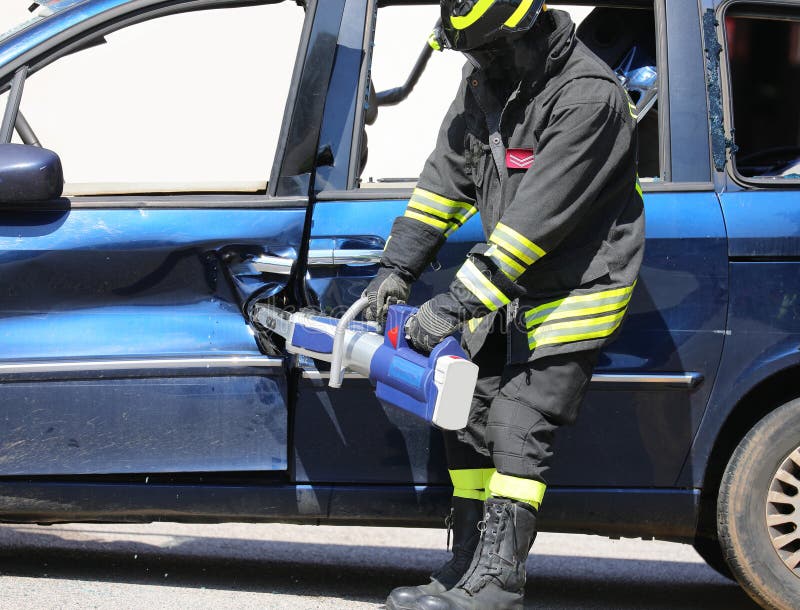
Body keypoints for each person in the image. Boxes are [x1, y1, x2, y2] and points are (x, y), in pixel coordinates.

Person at [364, 1, 645, 608]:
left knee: (520, 420)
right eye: (469, 51)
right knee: (465, 407)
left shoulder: (588, 97)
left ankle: (499, 583)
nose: (477, 62)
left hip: (577, 284)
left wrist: (457, 302)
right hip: (507, 282)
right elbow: (444, 181)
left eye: (487, 50)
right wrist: (395, 268)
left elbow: (533, 226)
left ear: (529, 29)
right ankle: (467, 566)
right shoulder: (490, 78)